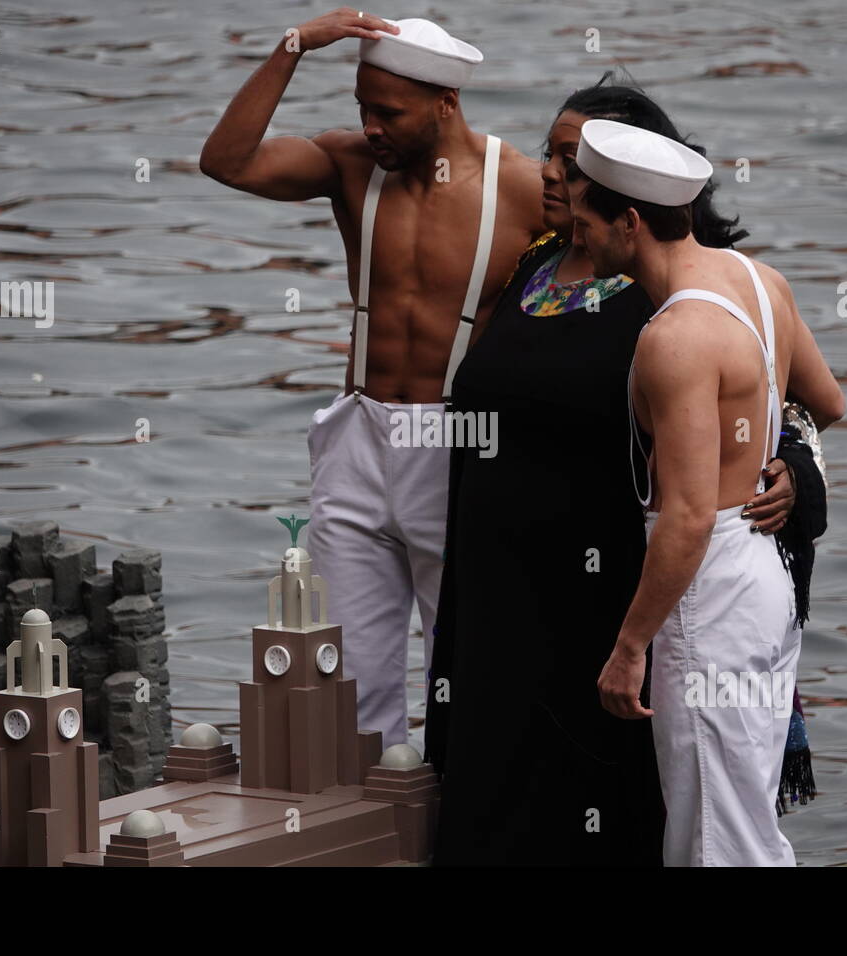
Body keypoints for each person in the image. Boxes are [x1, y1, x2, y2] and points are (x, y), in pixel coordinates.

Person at [423, 78, 799, 866]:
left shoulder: (681, 299)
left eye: (574, 164)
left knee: (682, 816)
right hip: (506, 596)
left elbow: (776, 402)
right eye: (552, 155)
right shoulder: (532, 263)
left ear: (628, 210)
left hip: (625, 589)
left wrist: (793, 466)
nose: (554, 176)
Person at [199, 10, 545, 748]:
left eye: (388, 111)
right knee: (347, 674)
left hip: (459, 442)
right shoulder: (350, 164)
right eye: (362, 106)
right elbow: (226, 162)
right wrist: (293, 46)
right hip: (357, 434)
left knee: (467, 666)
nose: (371, 125)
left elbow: (635, 274)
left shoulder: (522, 189)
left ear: (445, 104)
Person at [574, 119, 846, 866]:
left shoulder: (676, 336)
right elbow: (828, 400)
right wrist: (784, 456)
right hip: (768, 575)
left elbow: (688, 516)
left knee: (715, 837)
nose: (581, 242)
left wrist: (630, 649)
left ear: (630, 222)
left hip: (710, 588)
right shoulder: (761, 282)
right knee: (744, 816)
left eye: (587, 225)